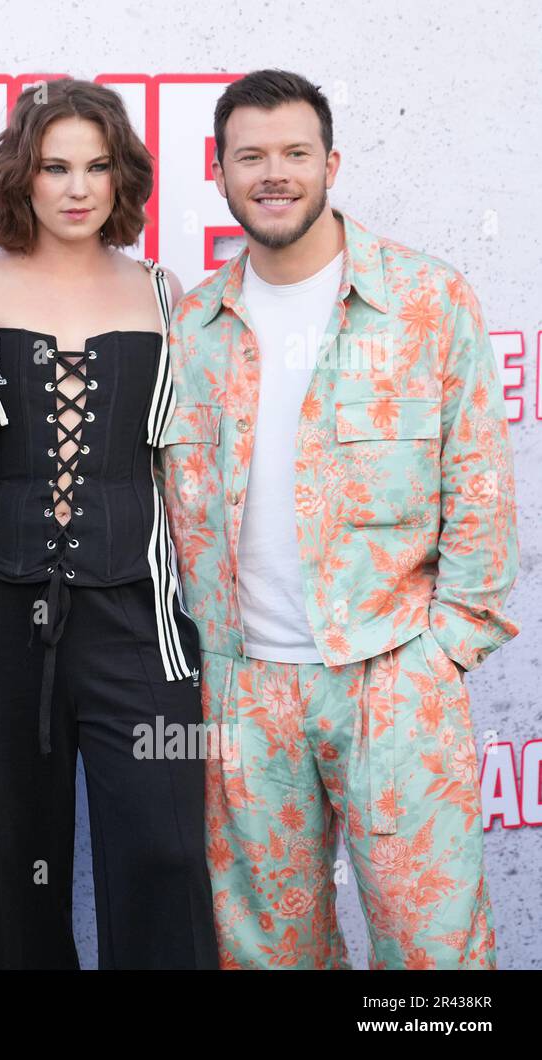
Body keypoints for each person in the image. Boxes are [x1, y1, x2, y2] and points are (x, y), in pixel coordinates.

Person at [161, 69, 518, 968]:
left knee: (430, 947)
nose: (273, 174)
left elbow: (479, 484)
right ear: (219, 171)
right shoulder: (193, 324)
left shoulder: (428, 303)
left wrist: (440, 653)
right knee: (266, 947)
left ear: (331, 163)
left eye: (294, 154)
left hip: (393, 678)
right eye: (251, 156)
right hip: (241, 691)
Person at [0, 78, 218, 969]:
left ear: (122, 178)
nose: (76, 187)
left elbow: (187, 466)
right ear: (20, 176)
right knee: (2, 860)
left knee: (166, 848)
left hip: (137, 616)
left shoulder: (164, 292)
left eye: (96, 167)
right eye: (54, 166)